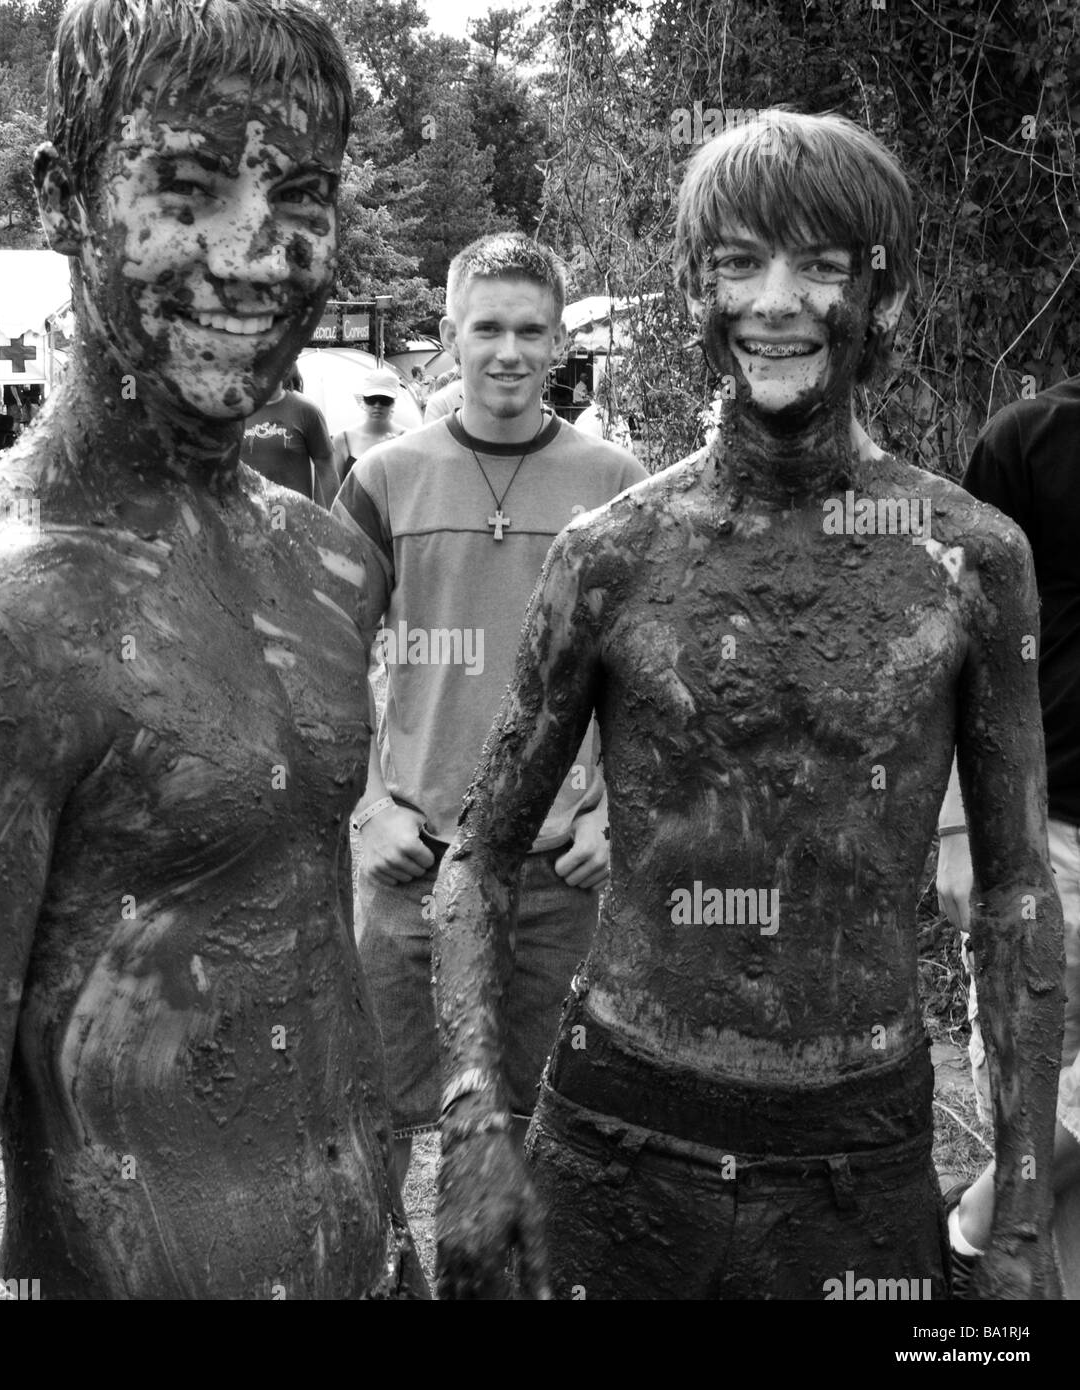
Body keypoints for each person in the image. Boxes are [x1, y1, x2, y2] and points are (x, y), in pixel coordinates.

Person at [0, 0, 425, 1301]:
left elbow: (303, 949)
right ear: (65, 194)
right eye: (190, 185)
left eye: (301, 194)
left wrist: (398, 1236)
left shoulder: (324, 566)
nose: (256, 255)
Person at [430, 111, 1064, 1301]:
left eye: (821, 266)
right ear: (691, 292)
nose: (774, 301)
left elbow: (1019, 893)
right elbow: (480, 854)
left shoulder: (969, 561)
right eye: (737, 263)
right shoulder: (611, 554)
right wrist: (473, 1116)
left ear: (883, 298)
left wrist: (1021, 1212)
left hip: (859, 1158)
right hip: (614, 1137)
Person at [332, 232, 645, 1196]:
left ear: (559, 344)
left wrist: (613, 810)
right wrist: (368, 805)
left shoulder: (614, 483)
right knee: (375, 1117)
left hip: (558, 868)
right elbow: (325, 661)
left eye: (530, 331)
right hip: (415, 857)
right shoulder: (386, 479)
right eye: (487, 329)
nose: (508, 351)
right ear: (448, 338)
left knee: (557, 1123)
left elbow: (647, 679)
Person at [937, 374, 1080, 1297]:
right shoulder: (1027, 439)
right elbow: (952, 633)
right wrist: (953, 820)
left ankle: (963, 1230)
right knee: (1042, 1107)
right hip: (1040, 832)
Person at [242, 364, 340, 507]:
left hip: (293, 519)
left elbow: (326, 470)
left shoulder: (307, 411)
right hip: (247, 516)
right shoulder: (236, 412)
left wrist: (330, 519)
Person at [331, 366, 406, 486]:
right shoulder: (343, 439)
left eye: (384, 400)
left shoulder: (406, 438)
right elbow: (334, 489)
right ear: (363, 400)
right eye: (371, 399)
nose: (377, 405)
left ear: (393, 402)